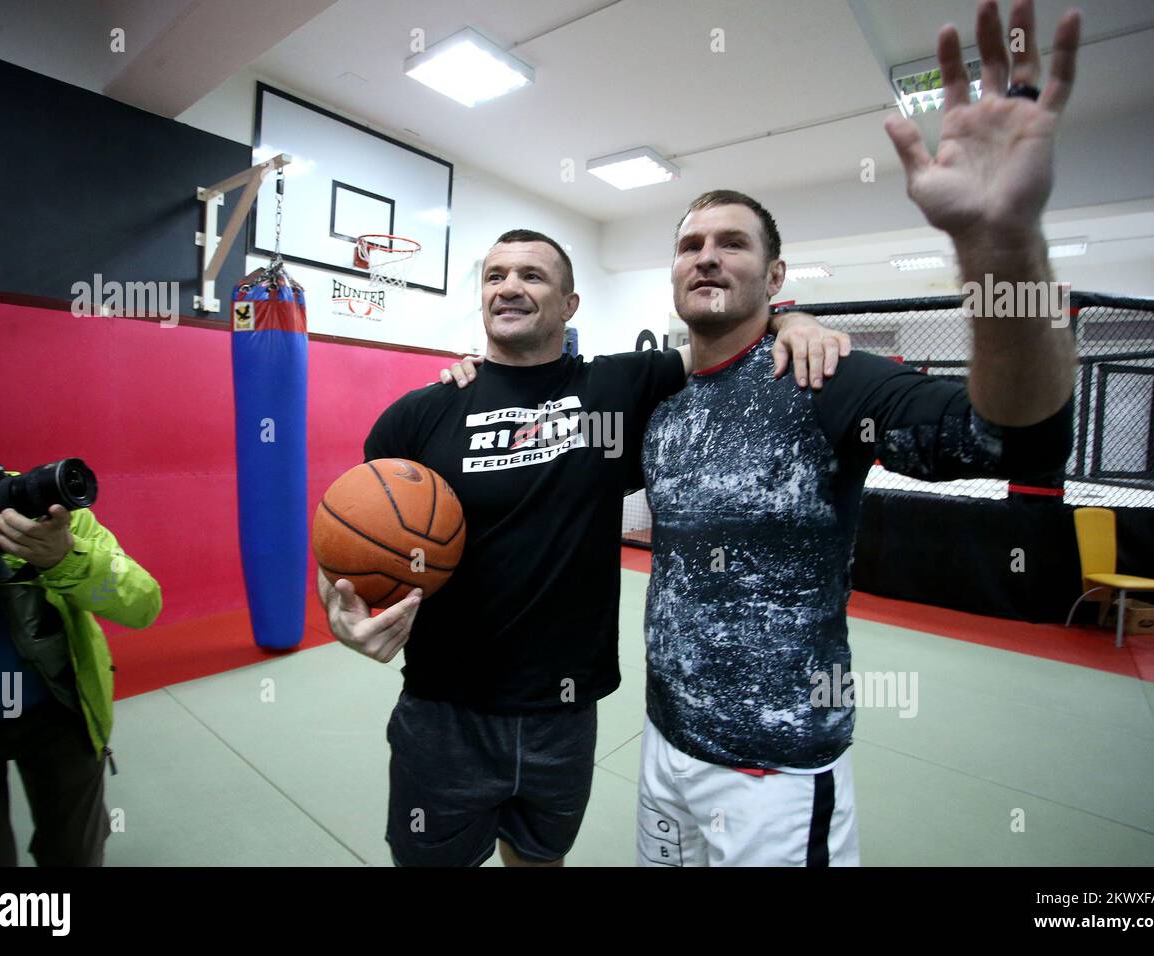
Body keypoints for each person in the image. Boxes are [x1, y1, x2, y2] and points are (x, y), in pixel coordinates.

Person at [637, 0, 1081, 866]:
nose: (706, 255)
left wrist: (1003, 248)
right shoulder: (656, 392)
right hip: (663, 746)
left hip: (778, 773)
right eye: (690, 242)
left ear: (776, 275)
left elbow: (1007, 440)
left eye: (732, 242)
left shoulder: (825, 375)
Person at [319, 228, 849, 867]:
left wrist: (793, 322)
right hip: (443, 713)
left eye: (532, 276)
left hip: (564, 711)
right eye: (495, 276)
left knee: (540, 860)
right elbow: (348, 539)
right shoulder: (420, 414)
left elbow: (723, 342)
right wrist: (341, 610)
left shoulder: (616, 387)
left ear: (570, 305)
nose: (510, 287)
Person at [0, 419, 162, 865]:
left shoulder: (33, 506)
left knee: (75, 850)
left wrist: (65, 559)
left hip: (58, 708)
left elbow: (142, 605)